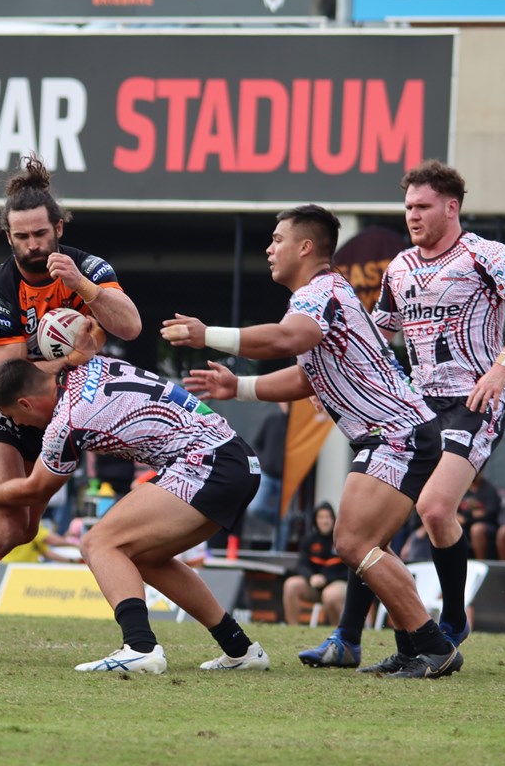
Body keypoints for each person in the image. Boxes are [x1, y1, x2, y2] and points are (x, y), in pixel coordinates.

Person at [166, 203, 461, 679]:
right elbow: (306, 378)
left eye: (277, 239)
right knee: (369, 545)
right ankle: (412, 647)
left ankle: (433, 646)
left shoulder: (319, 293)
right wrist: (239, 386)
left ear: (305, 247)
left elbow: (288, 339)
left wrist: (209, 335)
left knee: (353, 541)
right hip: (393, 433)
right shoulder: (324, 294)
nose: (269, 248)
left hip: (397, 434)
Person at [0, 154, 141, 662]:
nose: (33, 245)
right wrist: (76, 356)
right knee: (5, 525)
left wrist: (83, 287)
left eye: (41, 233)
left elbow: (129, 326)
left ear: (58, 228)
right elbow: (11, 376)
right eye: (22, 237)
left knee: (25, 528)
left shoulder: (87, 268)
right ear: (9, 237)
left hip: (55, 408)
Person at [0, 349, 269, 675]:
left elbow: (36, 489)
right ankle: (240, 649)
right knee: (144, 558)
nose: (19, 424)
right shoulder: (89, 363)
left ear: (25, 404)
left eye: (15, 417)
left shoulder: (67, 422)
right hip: (236, 459)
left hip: (207, 463)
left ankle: (140, 647)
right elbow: (90, 341)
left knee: (98, 543)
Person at [367, 160, 505, 649]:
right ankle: (372, 636)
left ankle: (451, 620)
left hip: (474, 400)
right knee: (374, 522)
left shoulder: (487, 254)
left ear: (451, 208)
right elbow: (378, 336)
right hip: (417, 407)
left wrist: (501, 367)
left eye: (423, 206)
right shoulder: (398, 267)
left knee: (434, 507)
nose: (412, 215)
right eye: (408, 206)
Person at [281, 503, 347, 626]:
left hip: (338, 584)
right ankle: (292, 628)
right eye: (320, 517)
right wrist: (311, 577)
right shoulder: (309, 540)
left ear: (334, 519)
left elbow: (349, 570)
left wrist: (326, 578)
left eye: (327, 517)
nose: (324, 521)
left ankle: (339, 632)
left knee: (330, 595)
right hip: (314, 585)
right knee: (291, 585)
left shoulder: (342, 540)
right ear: (315, 520)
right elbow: (301, 565)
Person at [249, 402, 289, 550]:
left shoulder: (298, 426)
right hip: (267, 474)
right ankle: (280, 520)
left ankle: (277, 552)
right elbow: (256, 444)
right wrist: (264, 462)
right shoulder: (271, 421)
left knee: (284, 517)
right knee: (255, 507)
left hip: (288, 479)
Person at [458, 471, 501, 560]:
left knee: (476, 529)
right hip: (464, 526)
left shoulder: (489, 489)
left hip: (487, 525)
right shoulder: (460, 489)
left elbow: (490, 514)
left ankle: (480, 562)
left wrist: (467, 517)